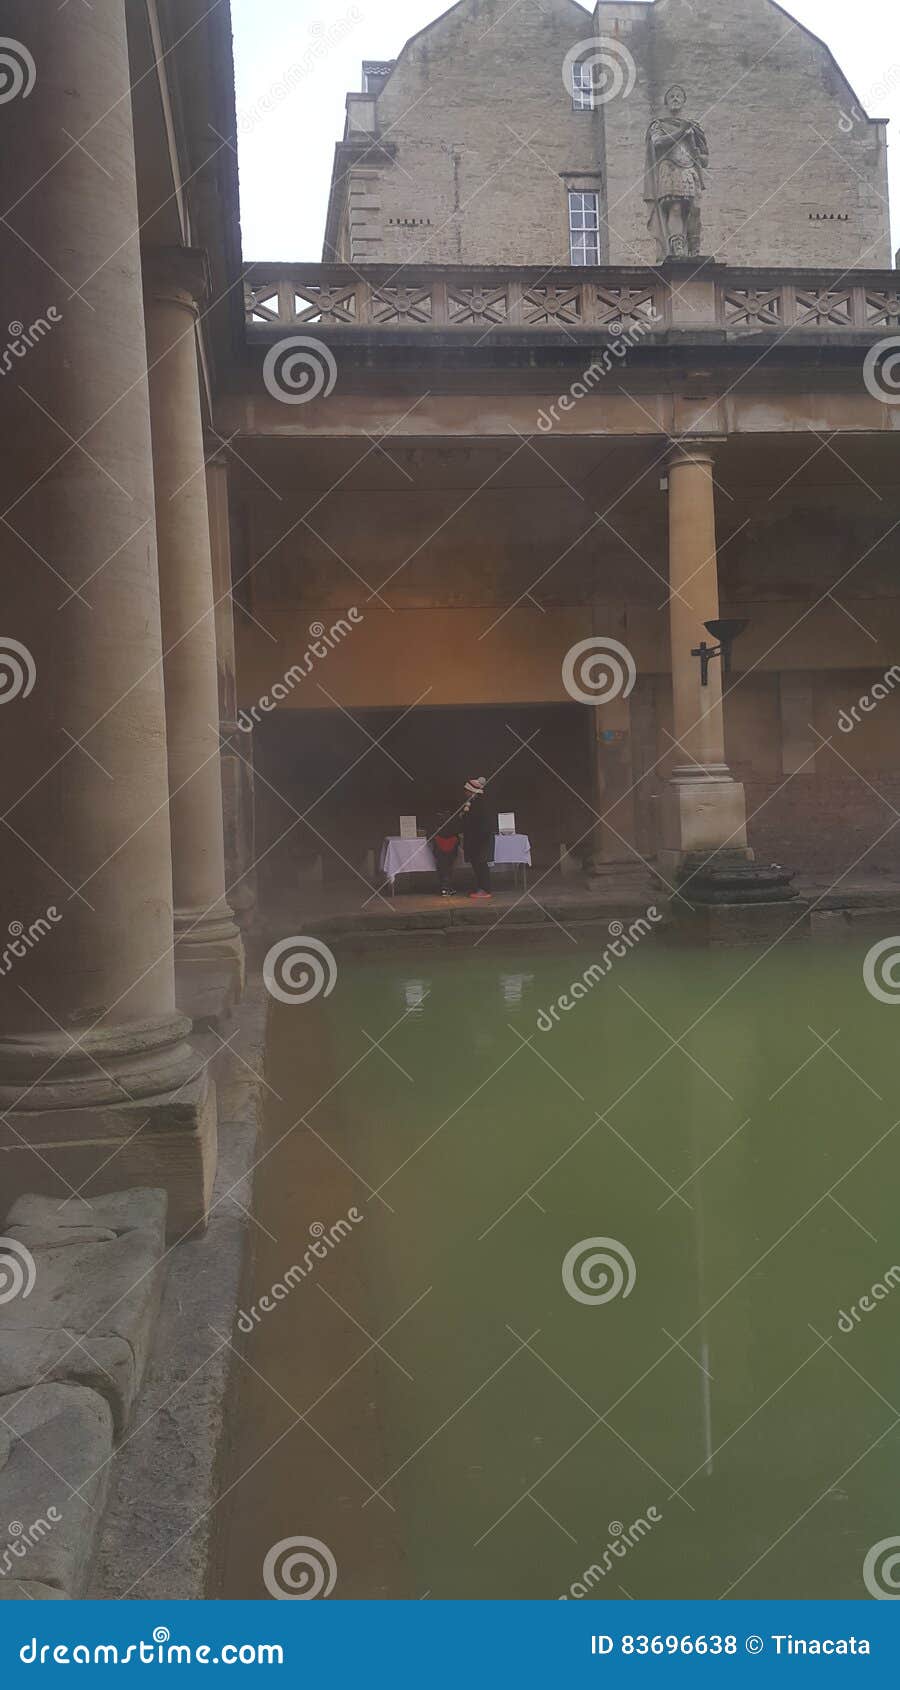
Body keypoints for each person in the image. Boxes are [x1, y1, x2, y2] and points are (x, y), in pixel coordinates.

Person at [461, 776, 493, 899]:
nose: (465, 793)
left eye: (467, 791)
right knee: (477, 864)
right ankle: (481, 887)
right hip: (476, 839)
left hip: (480, 840)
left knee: (481, 864)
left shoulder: (479, 805)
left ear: (472, 792)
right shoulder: (472, 803)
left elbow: (481, 824)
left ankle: (485, 889)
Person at [431, 802, 462, 897]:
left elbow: (431, 832)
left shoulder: (435, 817)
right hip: (452, 842)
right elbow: (458, 830)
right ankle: (447, 887)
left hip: (439, 843)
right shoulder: (455, 817)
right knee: (449, 866)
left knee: (441, 866)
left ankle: (444, 887)